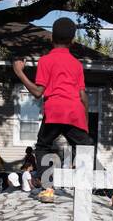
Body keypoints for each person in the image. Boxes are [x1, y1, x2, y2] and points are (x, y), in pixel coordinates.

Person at [12, 17, 97, 188]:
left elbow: (37, 92)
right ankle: (98, 188)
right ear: (72, 41)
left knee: (43, 145)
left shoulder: (45, 61)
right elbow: (83, 97)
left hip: (54, 112)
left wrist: (20, 73)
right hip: (74, 113)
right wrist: (85, 124)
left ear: (51, 38)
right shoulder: (76, 64)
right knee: (86, 146)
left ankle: (45, 184)